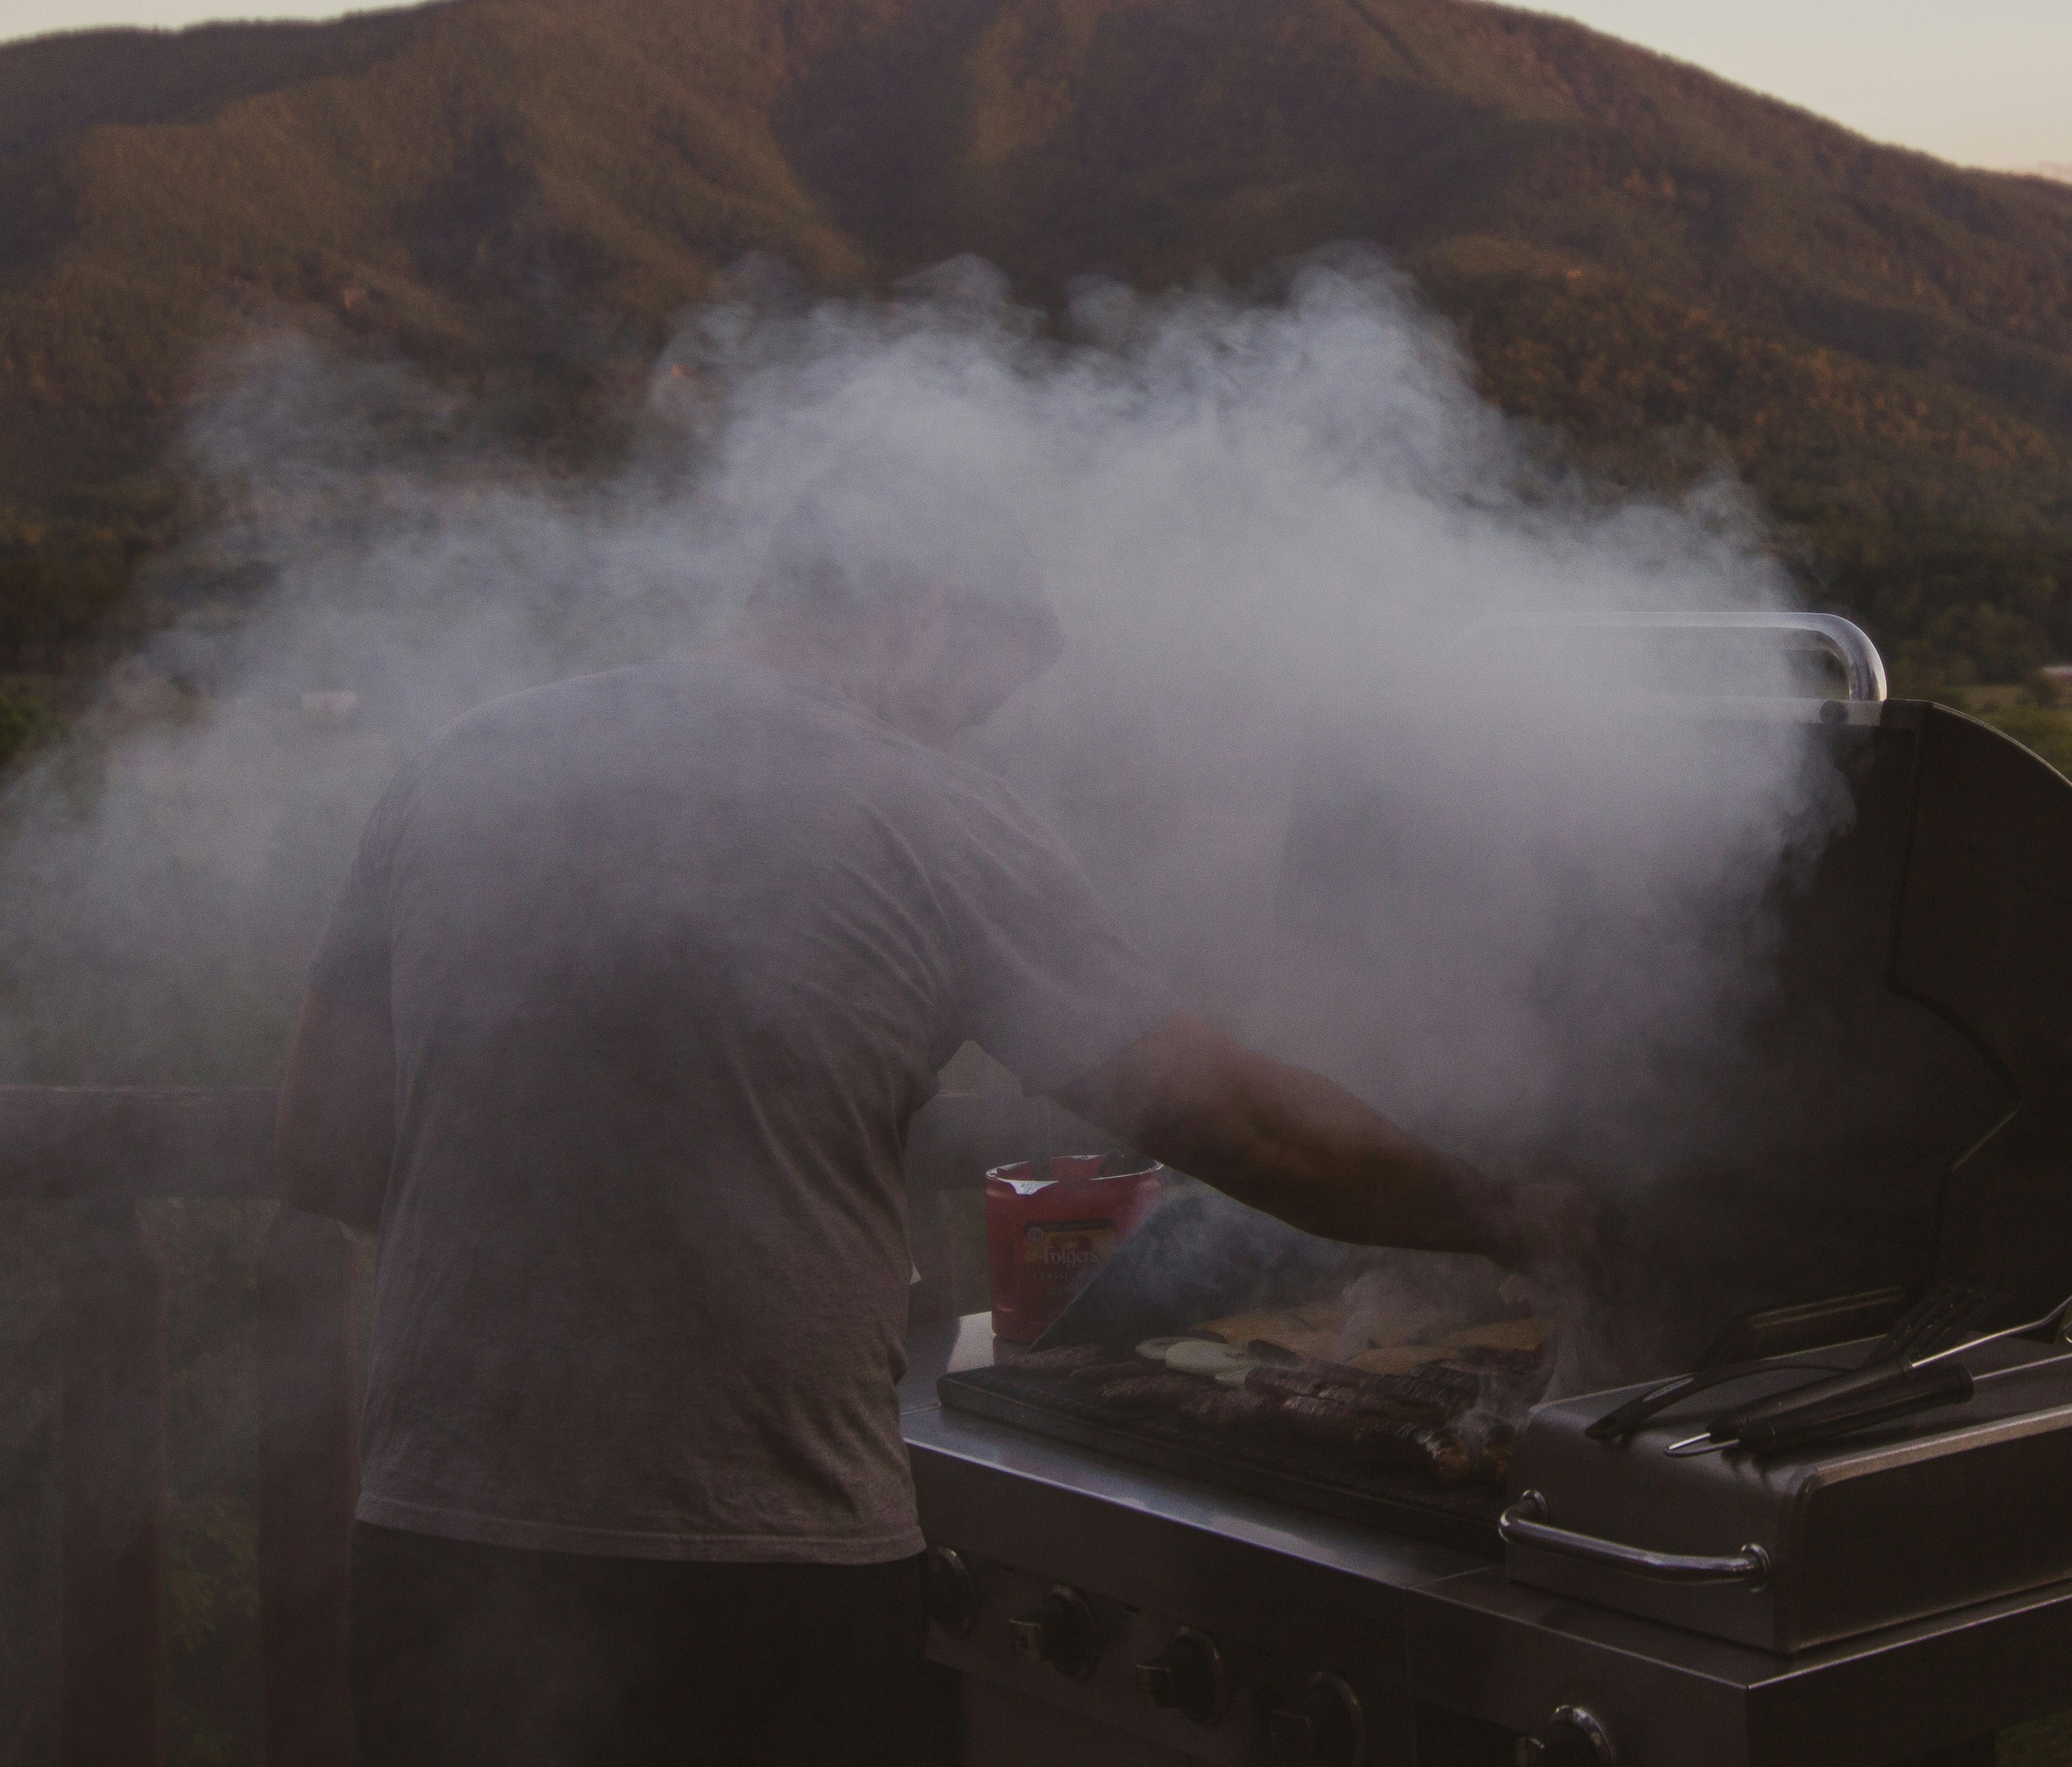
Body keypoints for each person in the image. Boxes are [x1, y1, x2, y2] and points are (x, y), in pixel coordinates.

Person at [275, 479, 1595, 1767]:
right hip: (758, 1573)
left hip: (438, 1550)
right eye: (976, 698)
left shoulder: (468, 761)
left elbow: (326, 1144)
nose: (965, 740)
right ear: (925, 611)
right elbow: (1240, 1128)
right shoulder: (923, 811)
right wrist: (1497, 1213)